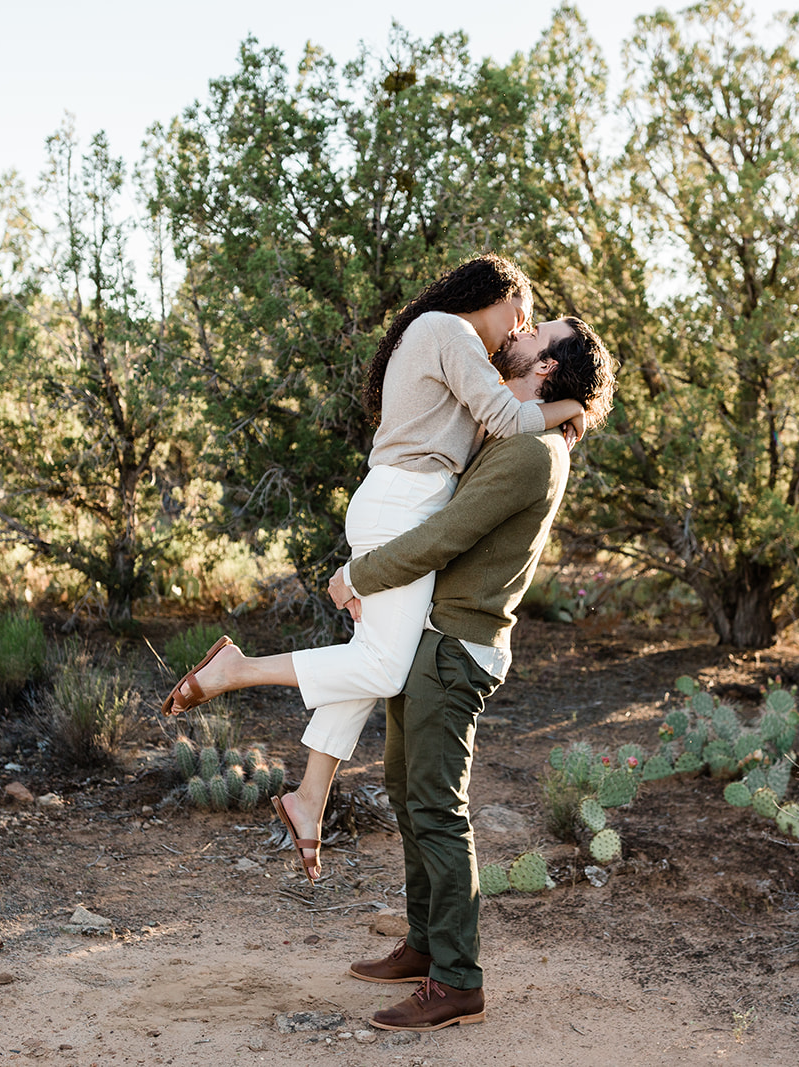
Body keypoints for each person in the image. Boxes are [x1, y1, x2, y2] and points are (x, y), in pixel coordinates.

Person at [161, 254, 586, 881]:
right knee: (384, 667)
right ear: (495, 296)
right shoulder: (452, 332)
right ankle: (237, 669)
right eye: (518, 313)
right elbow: (506, 419)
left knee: (368, 664)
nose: (517, 329)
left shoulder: (444, 335)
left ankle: (308, 801)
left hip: (397, 501)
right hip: (405, 505)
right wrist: (569, 407)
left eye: (530, 327)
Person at [338, 317, 616, 1032]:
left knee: (436, 807)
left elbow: (446, 533)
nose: (517, 331)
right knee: (408, 791)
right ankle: (426, 945)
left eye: (535, 329)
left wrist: (358, 576)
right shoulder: (522, 431)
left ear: (547, 365)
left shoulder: (533, 453)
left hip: (456, 643)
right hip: (435, 634)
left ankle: (458, 981)